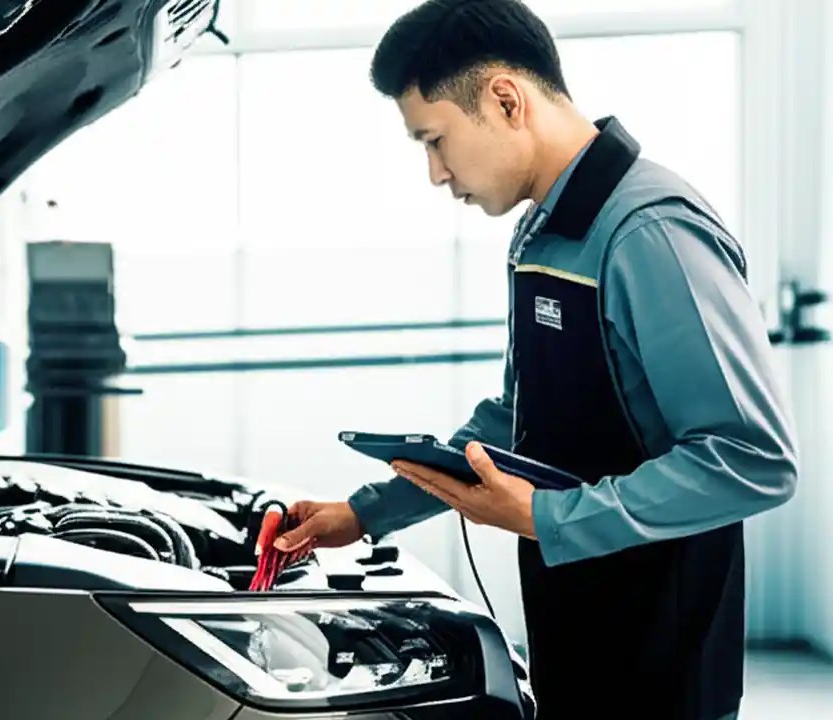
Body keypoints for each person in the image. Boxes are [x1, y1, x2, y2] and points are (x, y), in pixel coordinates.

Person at [270, 1, 800, 718]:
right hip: (576, 632)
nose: (434, 172)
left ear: (504, 100)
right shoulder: (542, 233)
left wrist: (550, 517)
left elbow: (753, 459)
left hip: (660, 657)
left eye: (436, 140)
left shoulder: (652, 231)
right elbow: (519, 419)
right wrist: (363, 515)